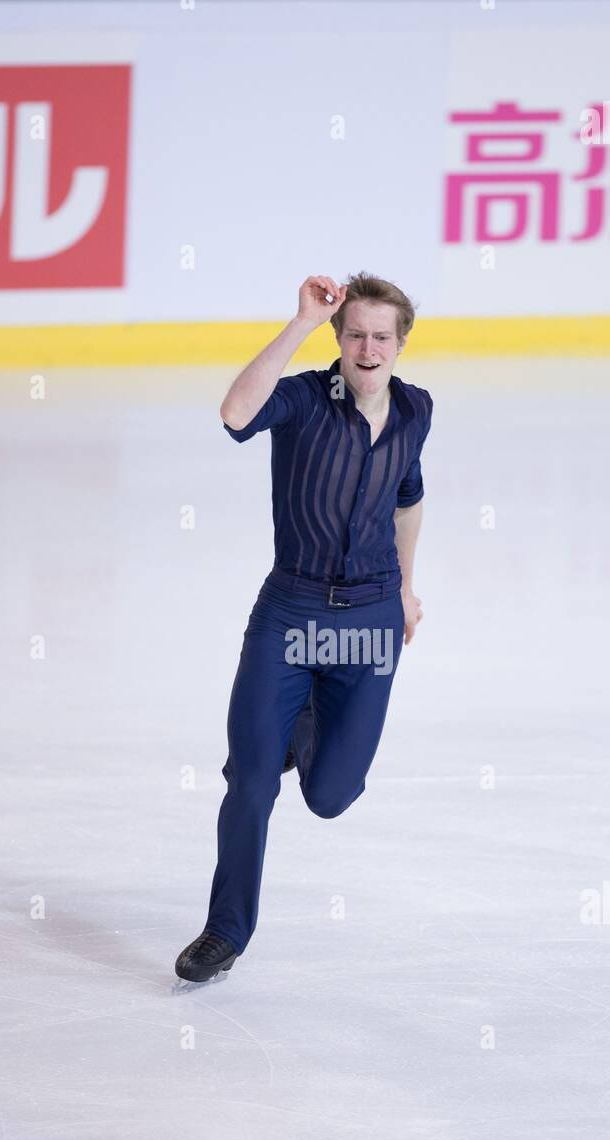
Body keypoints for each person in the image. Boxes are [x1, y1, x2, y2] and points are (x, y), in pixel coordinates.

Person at [175, 271, 432, 983]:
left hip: (372, 620)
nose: (369, 348)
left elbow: (408, 498)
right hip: (289, 615)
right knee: (252, 783)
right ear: (339, 338)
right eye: (355, 334)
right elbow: (233, 414)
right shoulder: (301, 401)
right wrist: (297, 323)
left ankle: (303, 721)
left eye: (383, 336)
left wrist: (408, 590)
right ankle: (225, 931)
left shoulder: (415, 410)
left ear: (401, 342)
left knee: (330, 797)